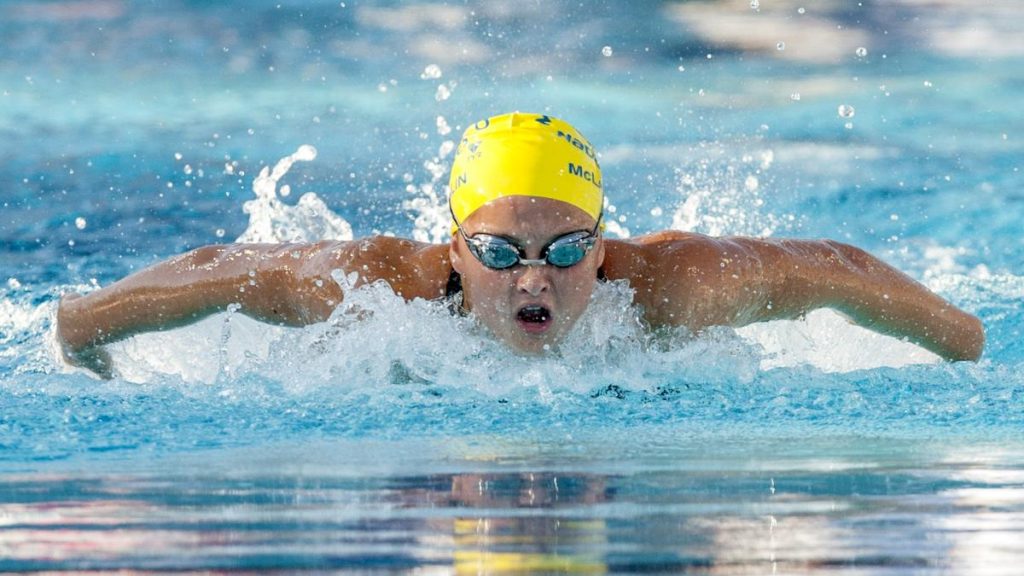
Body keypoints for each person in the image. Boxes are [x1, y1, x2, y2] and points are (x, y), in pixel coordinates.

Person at [57, 112, 985, 378]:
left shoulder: (678, 286)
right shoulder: (380, 292)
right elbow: (224, 272)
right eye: (501, 253)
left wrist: (969, 344)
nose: (534, 274)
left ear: (604, 241)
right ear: (455, 247)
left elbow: (830, 268)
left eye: (565, 249)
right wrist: (84, 329)